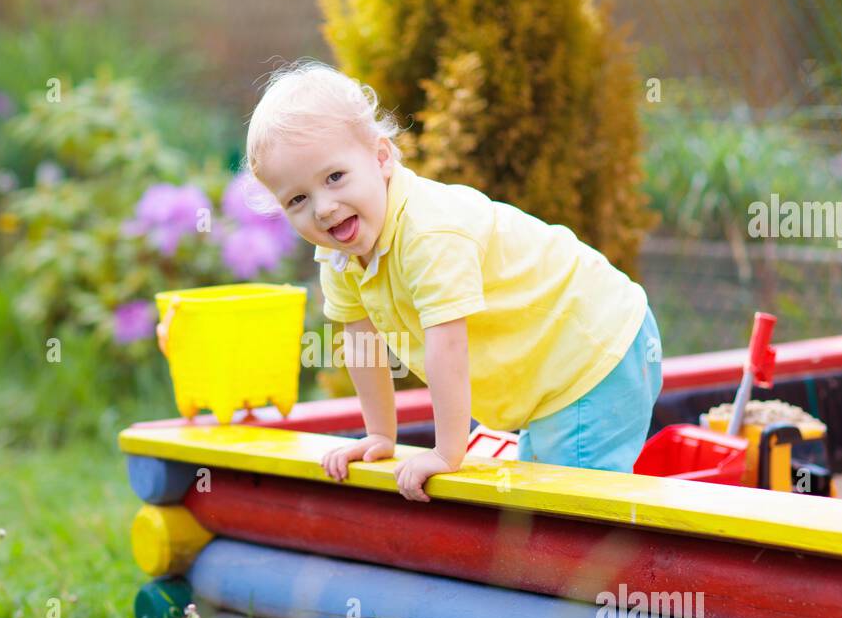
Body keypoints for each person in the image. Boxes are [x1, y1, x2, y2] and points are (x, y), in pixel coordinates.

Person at [224, 59, 662, 501]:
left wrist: (448, 453)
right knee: (535, 506)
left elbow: (447, 346)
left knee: (574, 510)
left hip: (596, 346)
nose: (323, 208)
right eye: (298, 198)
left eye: (335, 177)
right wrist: (380, 434)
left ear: (381, 158)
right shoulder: (339, 255)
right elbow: (362, 343)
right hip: (553, 373)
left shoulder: (428, 232)